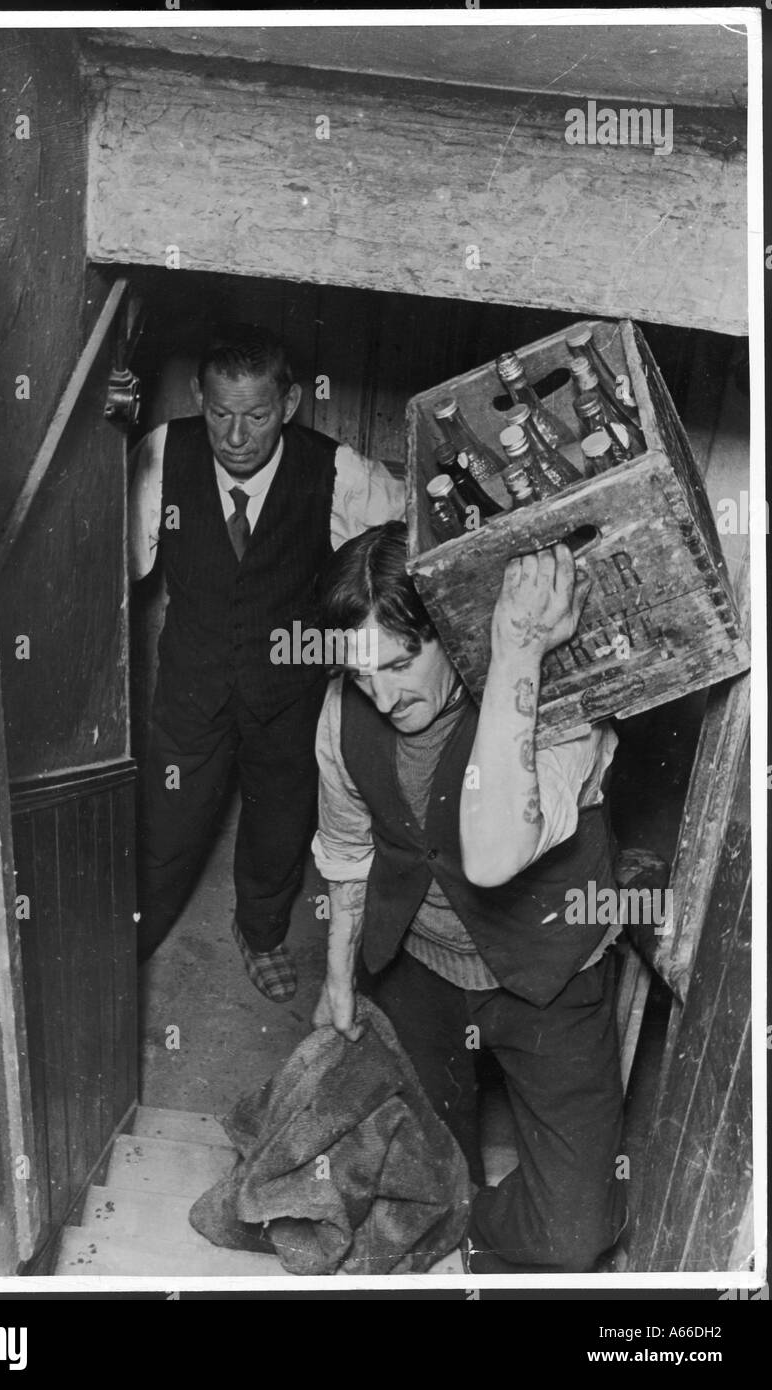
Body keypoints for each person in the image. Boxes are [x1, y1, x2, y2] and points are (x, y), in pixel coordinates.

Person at [311, 520, 627, 1273]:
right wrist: (338, 981)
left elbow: (493, 853)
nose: (382, 696)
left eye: (398, 663)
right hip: (418, 971)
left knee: (574, 1231)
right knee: (418, 1177)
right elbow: (350, 849)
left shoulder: (559, 699)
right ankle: (448, 1213)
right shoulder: (343, 712)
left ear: (451, 627)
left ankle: (475, 1224)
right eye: (360, 674)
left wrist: (516, 649)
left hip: (546, 976)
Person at [128, 324, 404, 1001]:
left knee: (280, 824)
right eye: (219, 413)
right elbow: (124, 566)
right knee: (167, 822)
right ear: (199, 397)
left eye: (255, 415)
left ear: (289, 404)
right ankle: (130, 932)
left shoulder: (339, 473)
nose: (235, 436)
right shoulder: (163, 453)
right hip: (191, 686)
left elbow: (405, 543)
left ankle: (260, 932)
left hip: (289, 692)